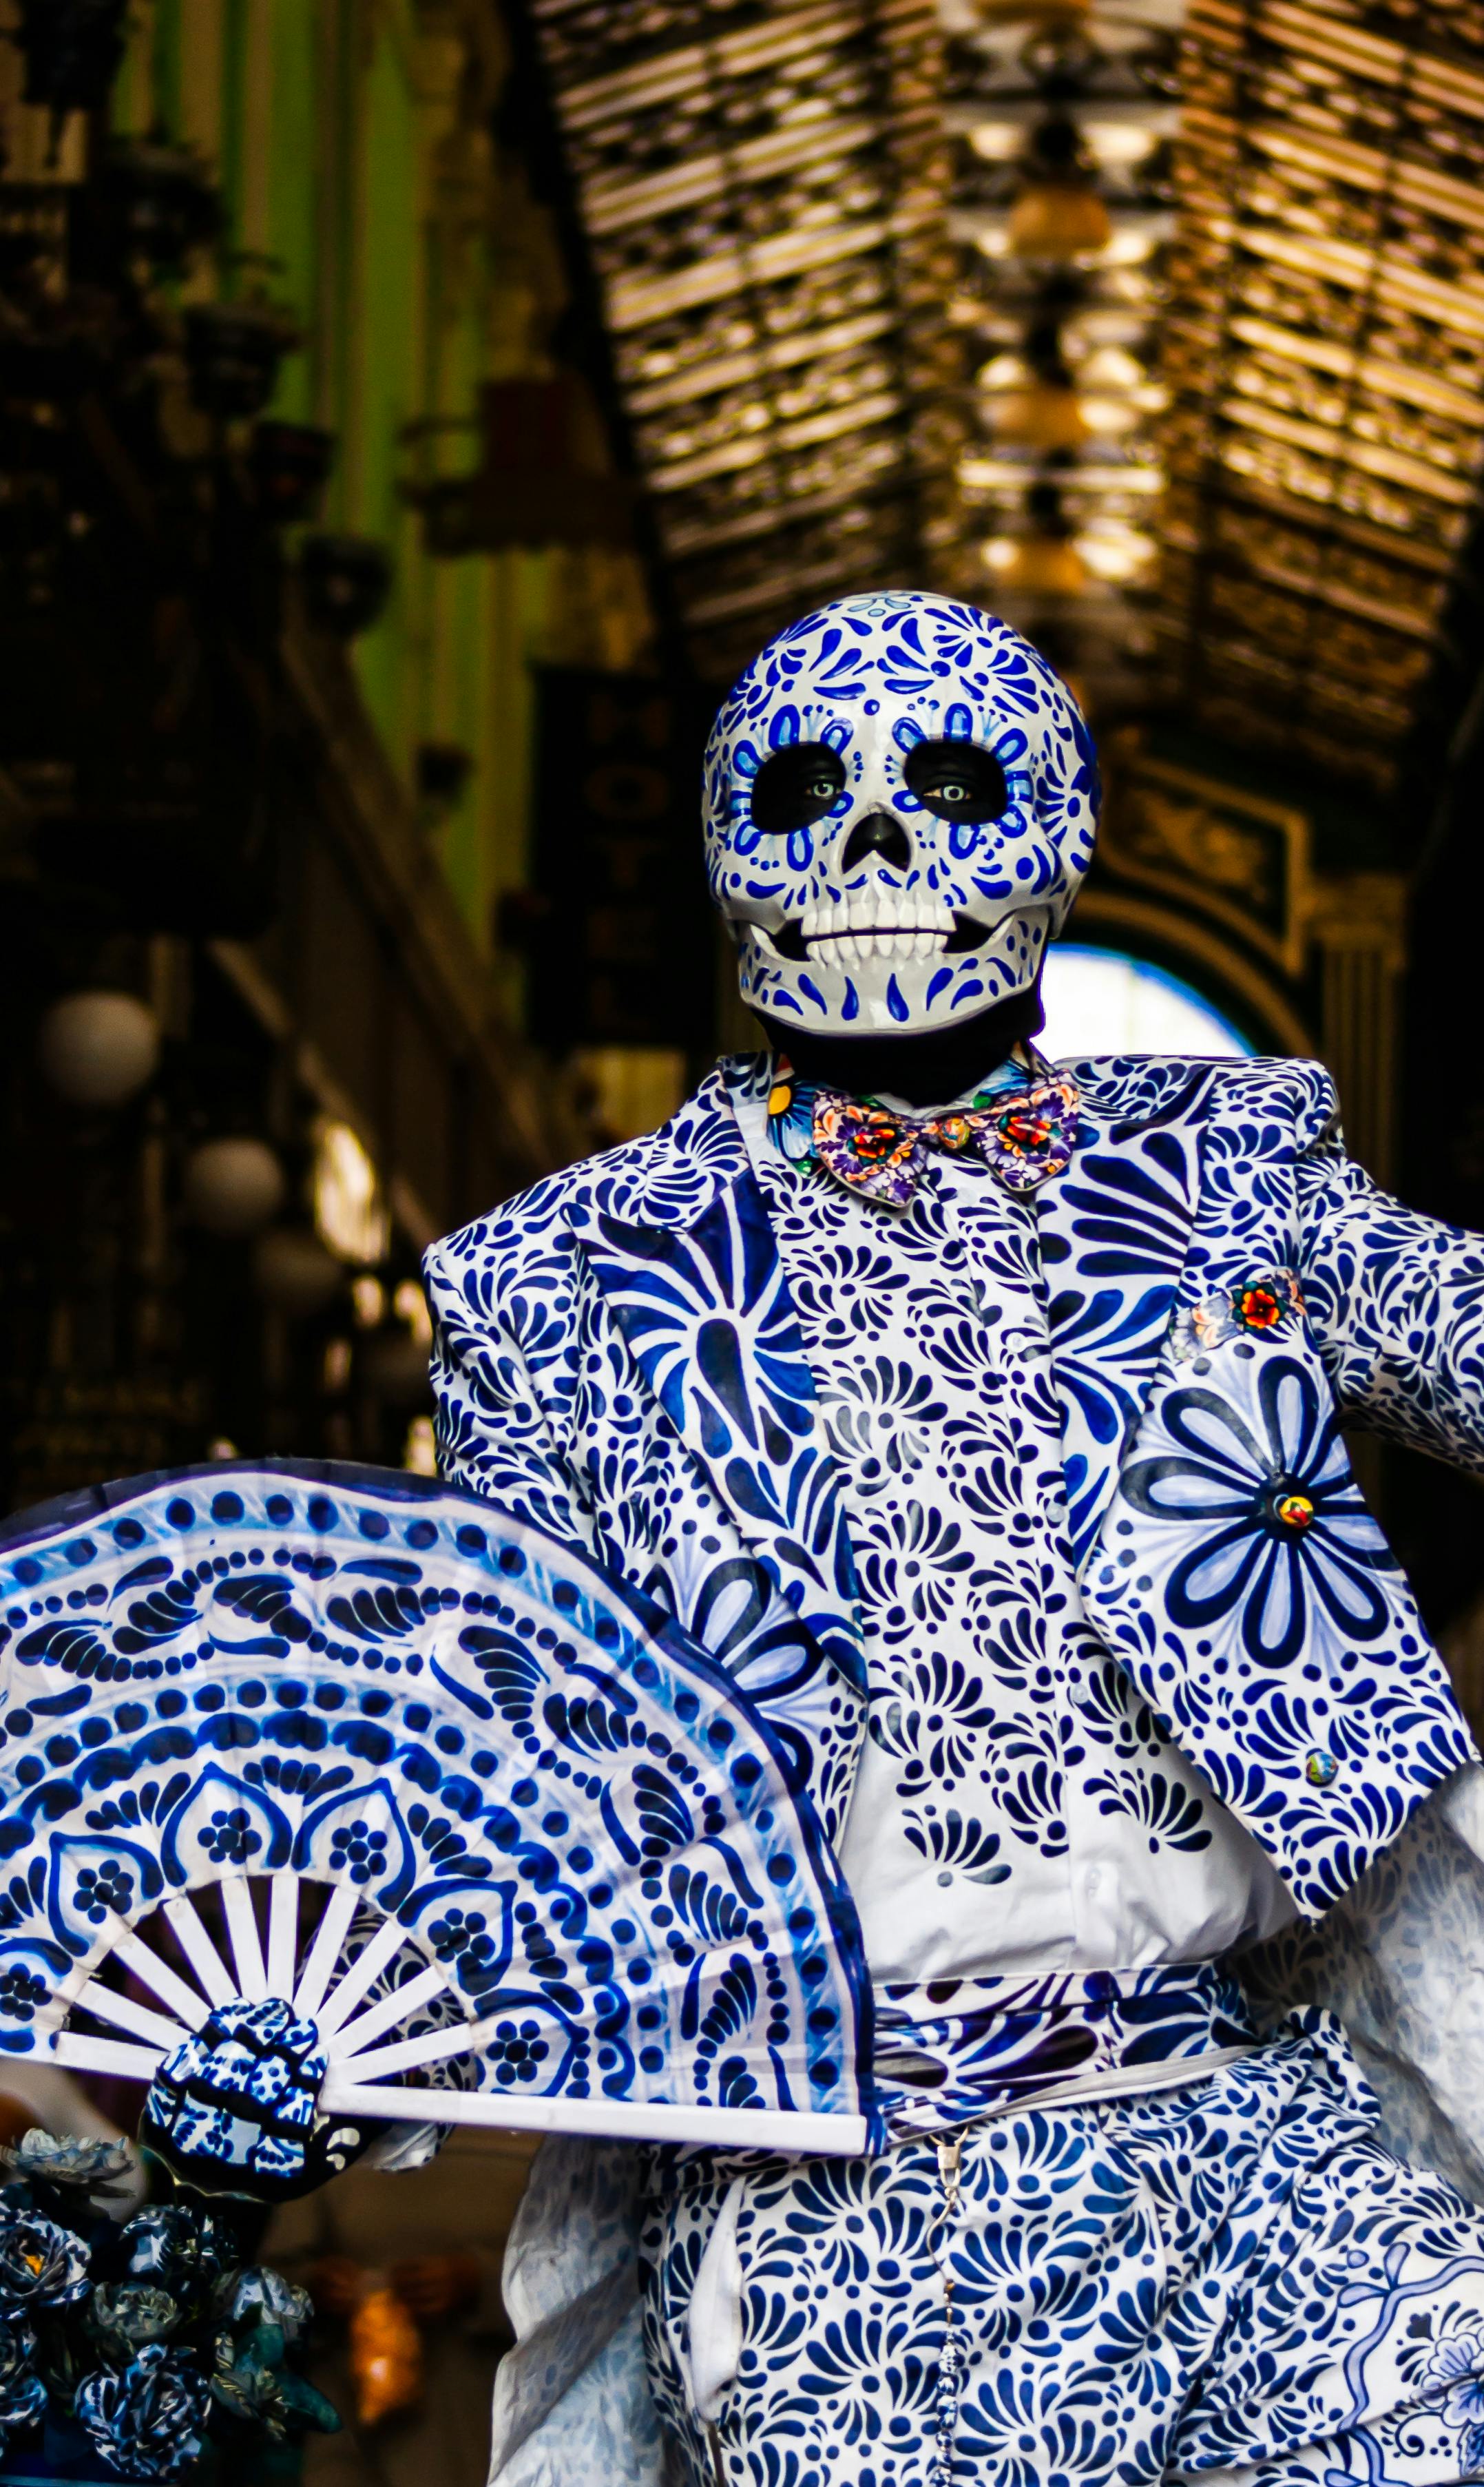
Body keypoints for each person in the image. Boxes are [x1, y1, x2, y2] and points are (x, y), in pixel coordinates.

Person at [424, 590, 1484, 2487]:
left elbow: (1451, 1334)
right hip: (853, 2226)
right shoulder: (562, 1280)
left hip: (1256, 2140)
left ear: (1056, 830)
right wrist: (301, 2054)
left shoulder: (1217, 1165)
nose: (871, 856)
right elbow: (490, 1746)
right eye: (805, 798)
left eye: (946, 790)